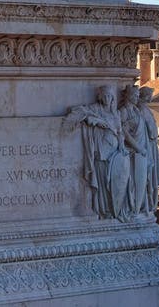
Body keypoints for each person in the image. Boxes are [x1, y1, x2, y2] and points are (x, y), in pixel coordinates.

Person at [65, 85, 130, 220]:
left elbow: (119, 132)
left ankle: (115, 209)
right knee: (103, 182)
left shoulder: (115, 114)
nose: (107, 98)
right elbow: (80, 112)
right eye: (104, 96)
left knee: (113, 181)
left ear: (112, 98)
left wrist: (122, 145)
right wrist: (98, 121)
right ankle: (104, 209)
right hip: (101, 152)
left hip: (115, 153)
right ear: (100, 97)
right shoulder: (95, 109)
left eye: (109, 96)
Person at [119, 84, 148, 216]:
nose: (137, 98)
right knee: (133, 182)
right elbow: (123, 132)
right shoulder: (124, 111)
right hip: (133, 153)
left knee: (141, 182)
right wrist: (138, 147)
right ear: (129, 96)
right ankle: (132, 208)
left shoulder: (136, 110)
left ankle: (137, 208)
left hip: (141, 153)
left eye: (138, 95)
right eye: (135, 96)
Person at [138, 87, 159, 212]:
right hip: (147, 145)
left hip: (151, 144)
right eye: (150, 95)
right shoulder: (141, 109)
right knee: (150, 176)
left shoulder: (145, 109)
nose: (151, 97)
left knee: (152, 177)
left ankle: (151, 204)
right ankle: (148, 204)